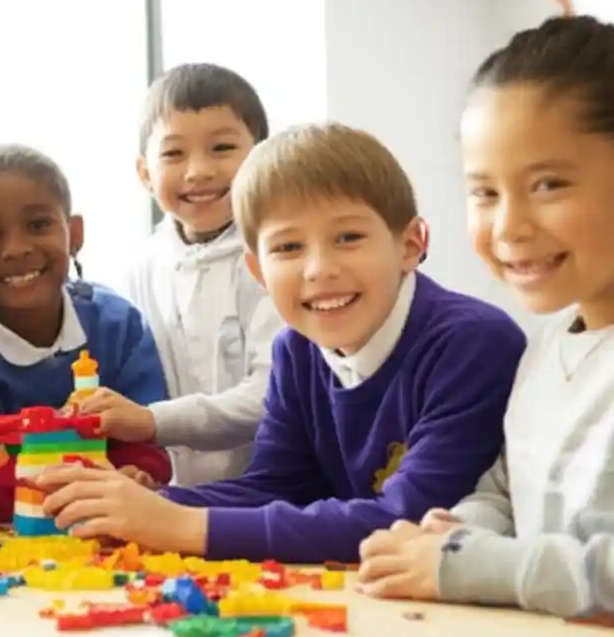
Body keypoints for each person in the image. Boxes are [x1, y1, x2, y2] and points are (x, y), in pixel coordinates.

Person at [35, 122, 526, 564]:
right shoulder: (297, 349)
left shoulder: (471, 343)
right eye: (288, 247)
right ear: (258, 271)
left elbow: (406, 520)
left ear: (411, 244)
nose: (319, 269)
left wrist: (180, 524)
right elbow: (278, 487)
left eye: (349, 237)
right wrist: (152, 504)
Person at [358, 15, 614, 620]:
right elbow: (506, 485)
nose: (509, 228)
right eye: (485, 192)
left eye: (549, 184)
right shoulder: (548, 344)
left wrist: (466, 564)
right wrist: (456, 530)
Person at [0, 144, 172, 522]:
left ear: (75, 234)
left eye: (37, 225)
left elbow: (144, 432)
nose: (15, 249)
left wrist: (137, 473)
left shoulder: (118, 326)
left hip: (114, 522)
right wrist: (79, 487)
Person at [84, 63, 282, 488]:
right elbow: (135, 385)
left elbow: (272, 393)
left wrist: (151, 421)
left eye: (222, 148)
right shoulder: (139, 267)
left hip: (272, 491)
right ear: (144, 173)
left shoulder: (277, 257)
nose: (198, 172)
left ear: (262, 157)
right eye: (174, 153)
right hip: (170, 493)